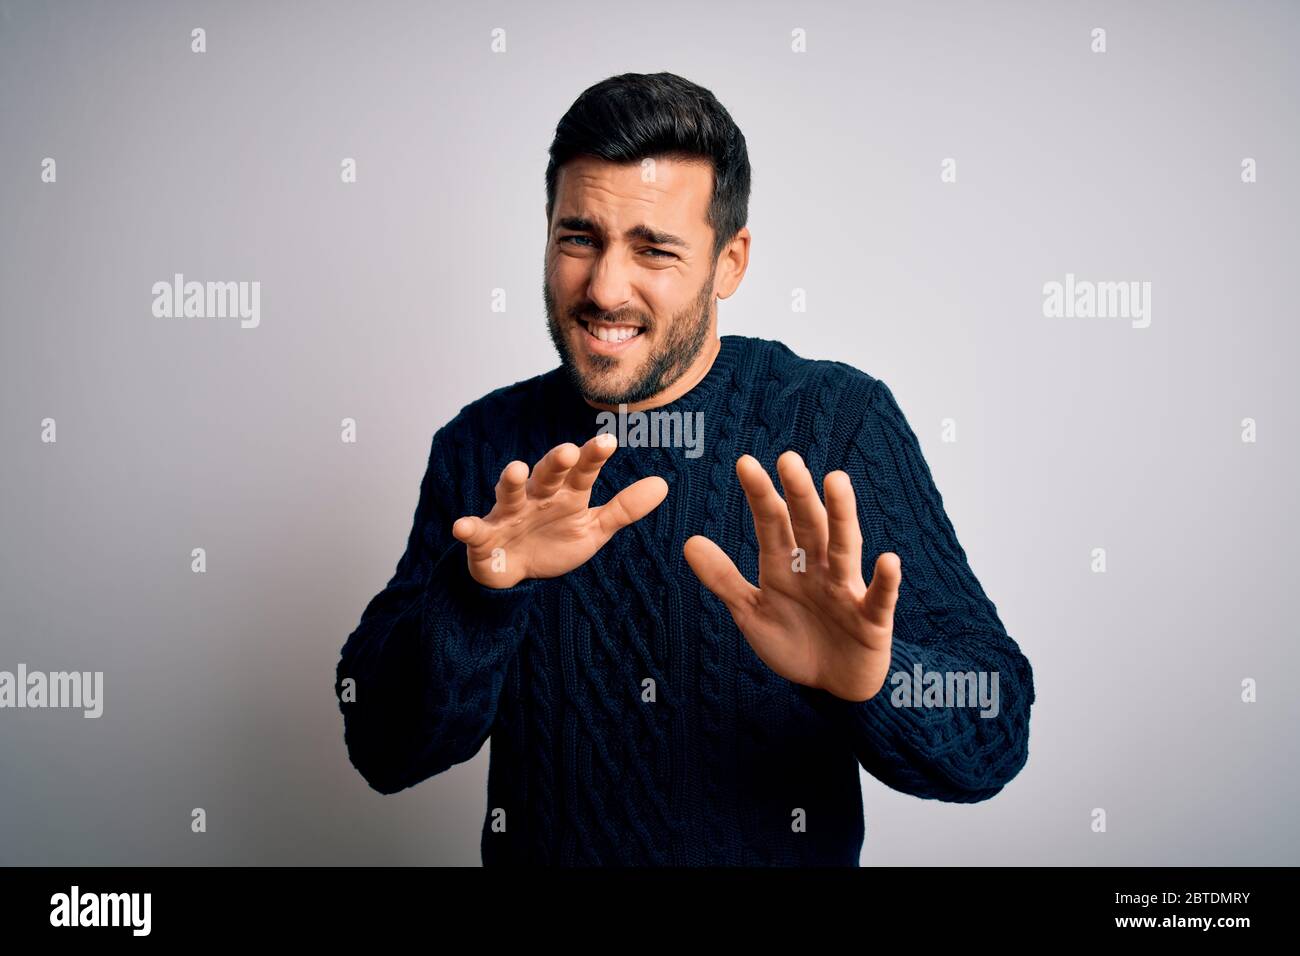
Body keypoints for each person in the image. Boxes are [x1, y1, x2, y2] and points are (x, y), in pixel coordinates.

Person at [334, 72, 1034, 866]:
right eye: (578, 238)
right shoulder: (485, 445)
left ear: (729, 263)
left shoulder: (838, 422)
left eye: (653, 250)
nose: (603, 288)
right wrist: (476, 596)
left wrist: (876, 681)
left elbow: (995, 721)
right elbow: (382, 747)